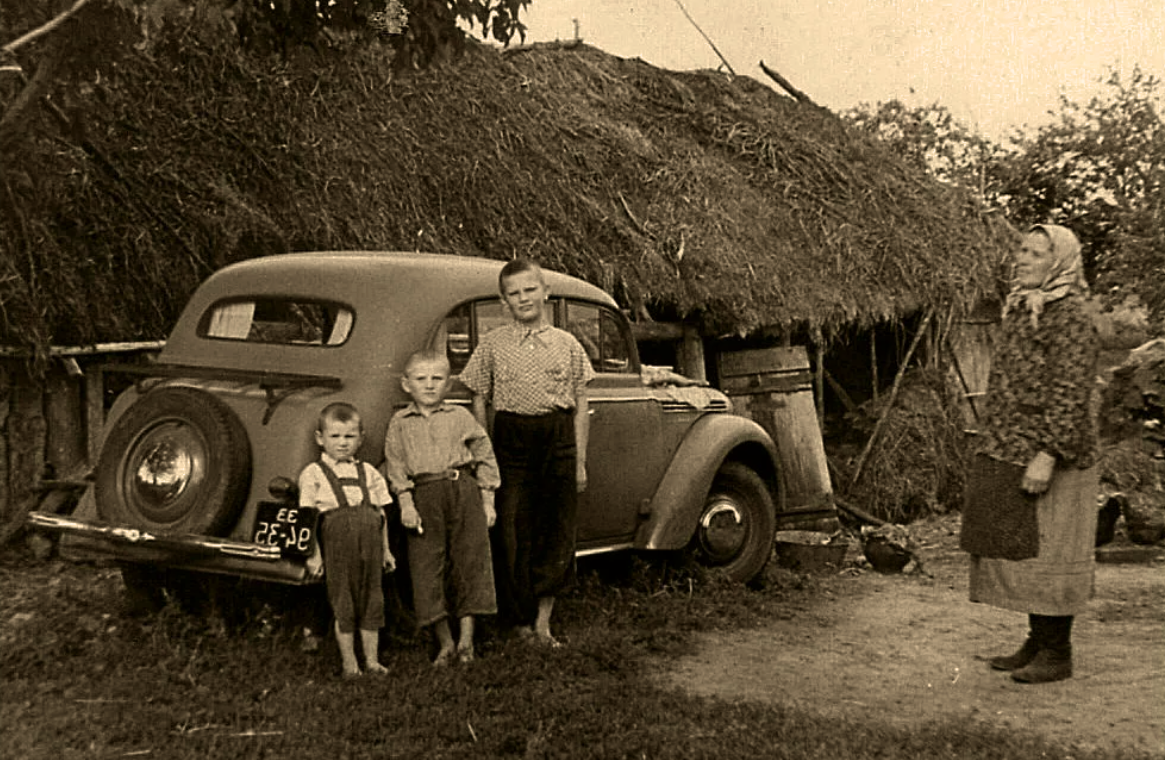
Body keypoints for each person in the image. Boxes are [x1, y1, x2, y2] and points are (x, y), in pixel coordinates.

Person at [963, 224, 1100, 684]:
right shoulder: (1024, 305)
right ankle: (1038, 640)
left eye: (1036, 253)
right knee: (1023, 551)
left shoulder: (1071, 315)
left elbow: (1071, 390)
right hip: (1012, 446)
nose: (1021, 258)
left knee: (1053, 552)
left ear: (1060, 261)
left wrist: (1048, 453)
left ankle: (1058, 652)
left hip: (1055, 455)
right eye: (1020, 250)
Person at [460, 258, 594, 647]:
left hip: (558, 437)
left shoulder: (567, 344)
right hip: (510, 437)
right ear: (504, 302)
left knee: (557, 528)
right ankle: (517, 620)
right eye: (514, 294)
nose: (523, 298)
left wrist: (579, 460)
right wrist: (486, 453)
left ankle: (543, 622)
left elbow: (581, 403)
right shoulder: (493, 344)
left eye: (530, 289)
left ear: (545, 292)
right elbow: (478, 397)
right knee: (512, 528)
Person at [383, 349, 501, 666]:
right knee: (425, 567)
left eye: (438, 378)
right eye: (421, 379)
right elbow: (396, 468)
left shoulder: (461, 417)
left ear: (448, 385)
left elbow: (485, 455)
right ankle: (444, 641)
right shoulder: (400, 423)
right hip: (424, 496)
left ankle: (466, 642)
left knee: (470, 561)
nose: (430, 385)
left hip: (462, 490)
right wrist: (406, 504)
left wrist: (487, 499)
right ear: (407, 384)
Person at [299, 402, 395, 678]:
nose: (342, 443)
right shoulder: (314, 474)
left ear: (361, 438)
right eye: (335, 436)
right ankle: (350, 664)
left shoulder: (369, 473)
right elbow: (307, 519)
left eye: (349, 437)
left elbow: (381, 516)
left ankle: (373, 660)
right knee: (344, 603)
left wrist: (386, 551)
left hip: (371, 546)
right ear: (321, 438)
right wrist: (313, 554)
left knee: (372, 601)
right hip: (337, 546)